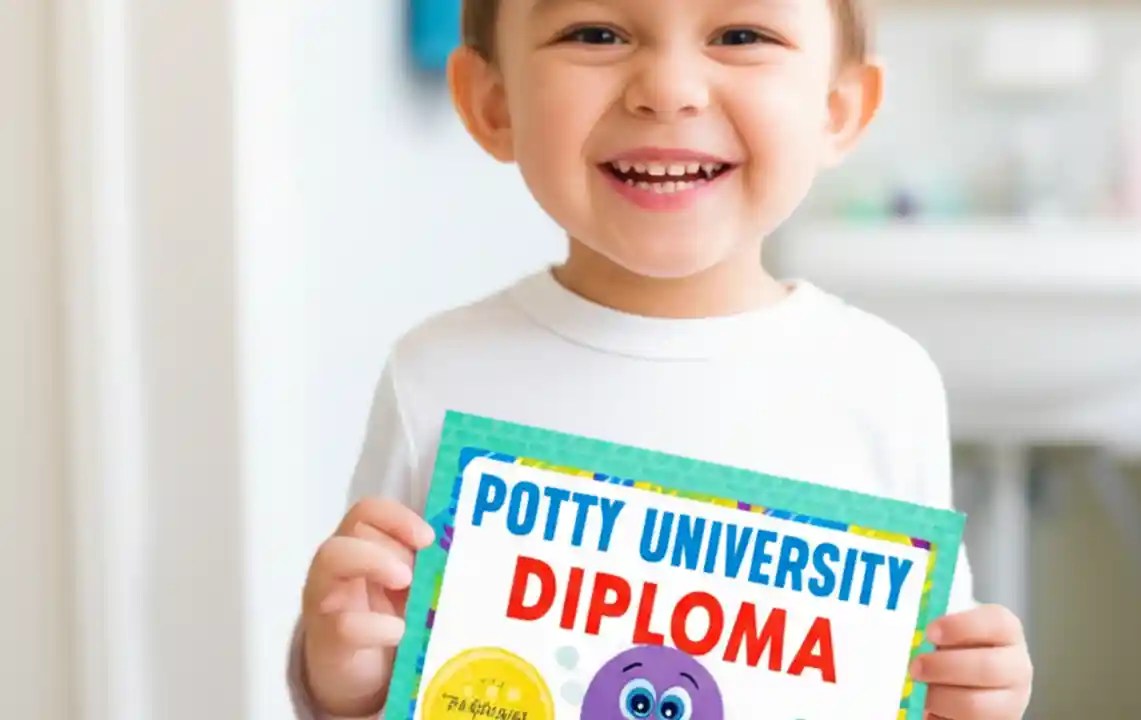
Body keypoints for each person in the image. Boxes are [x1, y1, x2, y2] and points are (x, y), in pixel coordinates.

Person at [289, 0, 1034, 717]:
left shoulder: (885, 382)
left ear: (837, 109)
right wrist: (345, 681)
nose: (669, 90)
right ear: (493, 103)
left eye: (741, 35)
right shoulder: (436, 376)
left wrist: (971, 692)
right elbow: (379, 664)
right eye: (595, 33)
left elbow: (925, 667)